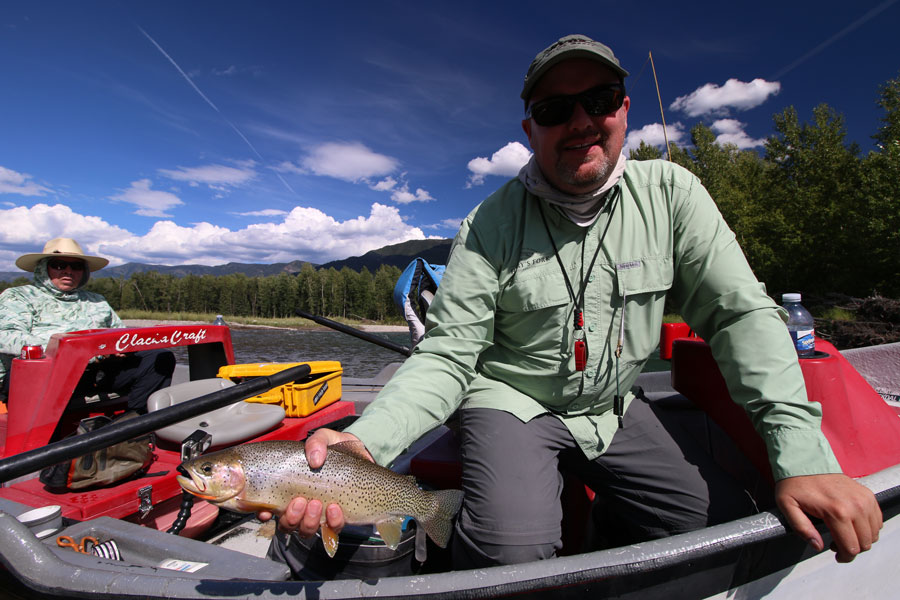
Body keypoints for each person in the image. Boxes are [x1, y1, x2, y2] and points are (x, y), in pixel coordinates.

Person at [265, 35, 881, 566]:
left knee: (717, 524)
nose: (582, 120)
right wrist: (366, 445)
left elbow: (739, 316)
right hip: (510, 399)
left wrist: (802, 456)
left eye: (601, 100)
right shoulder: (489, 224)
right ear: (530, 129)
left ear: (625, 110)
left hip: (614, 404)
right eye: (556, 109)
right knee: (510, 551)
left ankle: (613, 530)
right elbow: (451, 355)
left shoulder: (673, 196)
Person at [0, 237, 175, 413]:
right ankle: (42, 437)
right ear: (43, 269)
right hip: (41, 374)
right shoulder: (18, 296)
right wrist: (79, 350)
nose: (68, 271)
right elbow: (7, 336)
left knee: (159, 357)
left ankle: (136, 422)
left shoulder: (96, 300)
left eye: (76, 266)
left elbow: (120, 335)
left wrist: (122, 347)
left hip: (94, 373)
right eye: (59, 265)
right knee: (35, 369)